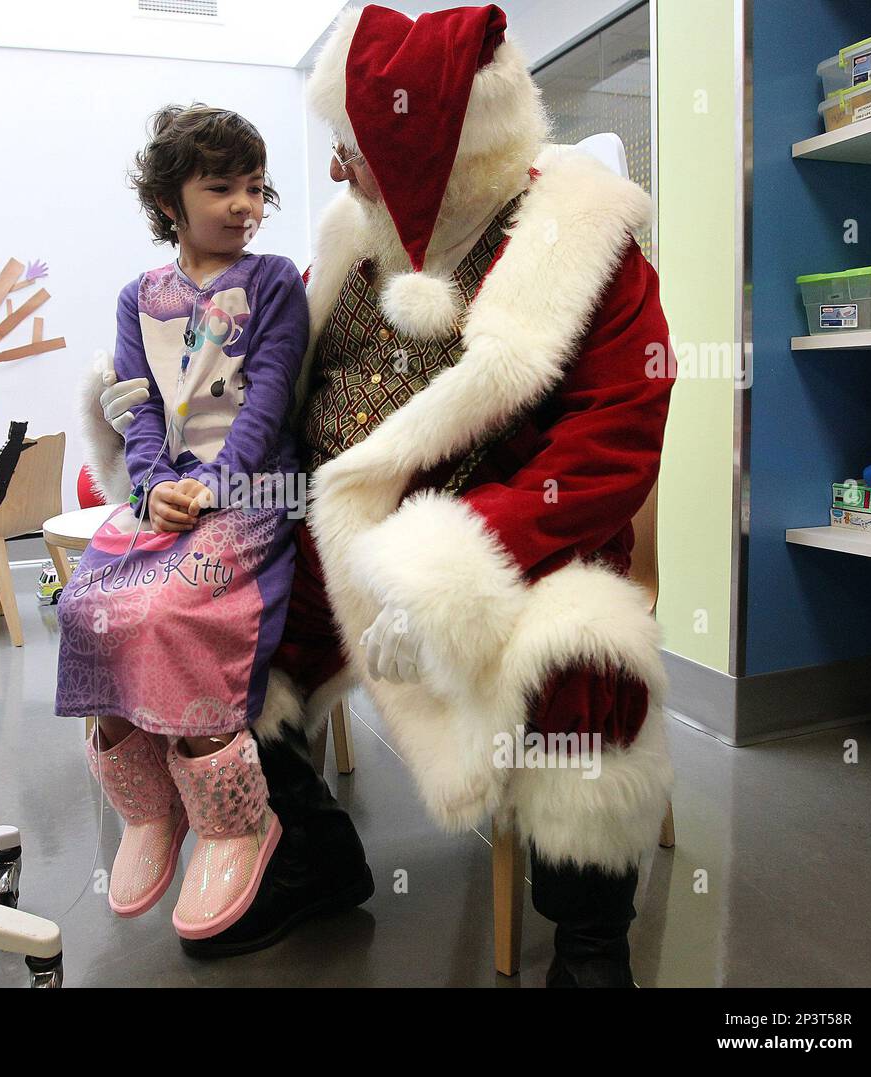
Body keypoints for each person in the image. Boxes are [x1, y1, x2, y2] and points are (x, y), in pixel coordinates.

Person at [88, 4, 678, 987]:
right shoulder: (352, 242)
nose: (328, 173)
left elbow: (613, 438)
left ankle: (585, 935)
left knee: (581, 658)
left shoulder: (585, 244)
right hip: (326, 530)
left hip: (520, 540)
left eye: (352, 148)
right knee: (205, 624)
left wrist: (452, 551)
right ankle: (317, 855)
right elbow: (265, 384)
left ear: (427, 149)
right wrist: (157, 441)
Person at [55, 104, 331, 942]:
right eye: (222, 187)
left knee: (180, 608)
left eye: (256, 187)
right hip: (165, 496)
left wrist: (211, 489)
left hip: (253, 493)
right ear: (172, 202)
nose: (245, 204)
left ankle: (233, 820)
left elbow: (268, 400)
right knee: (87, 607)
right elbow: (135, 408)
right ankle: (151, 812)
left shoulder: (275, 280)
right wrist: (150, 488)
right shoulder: (138, 298)